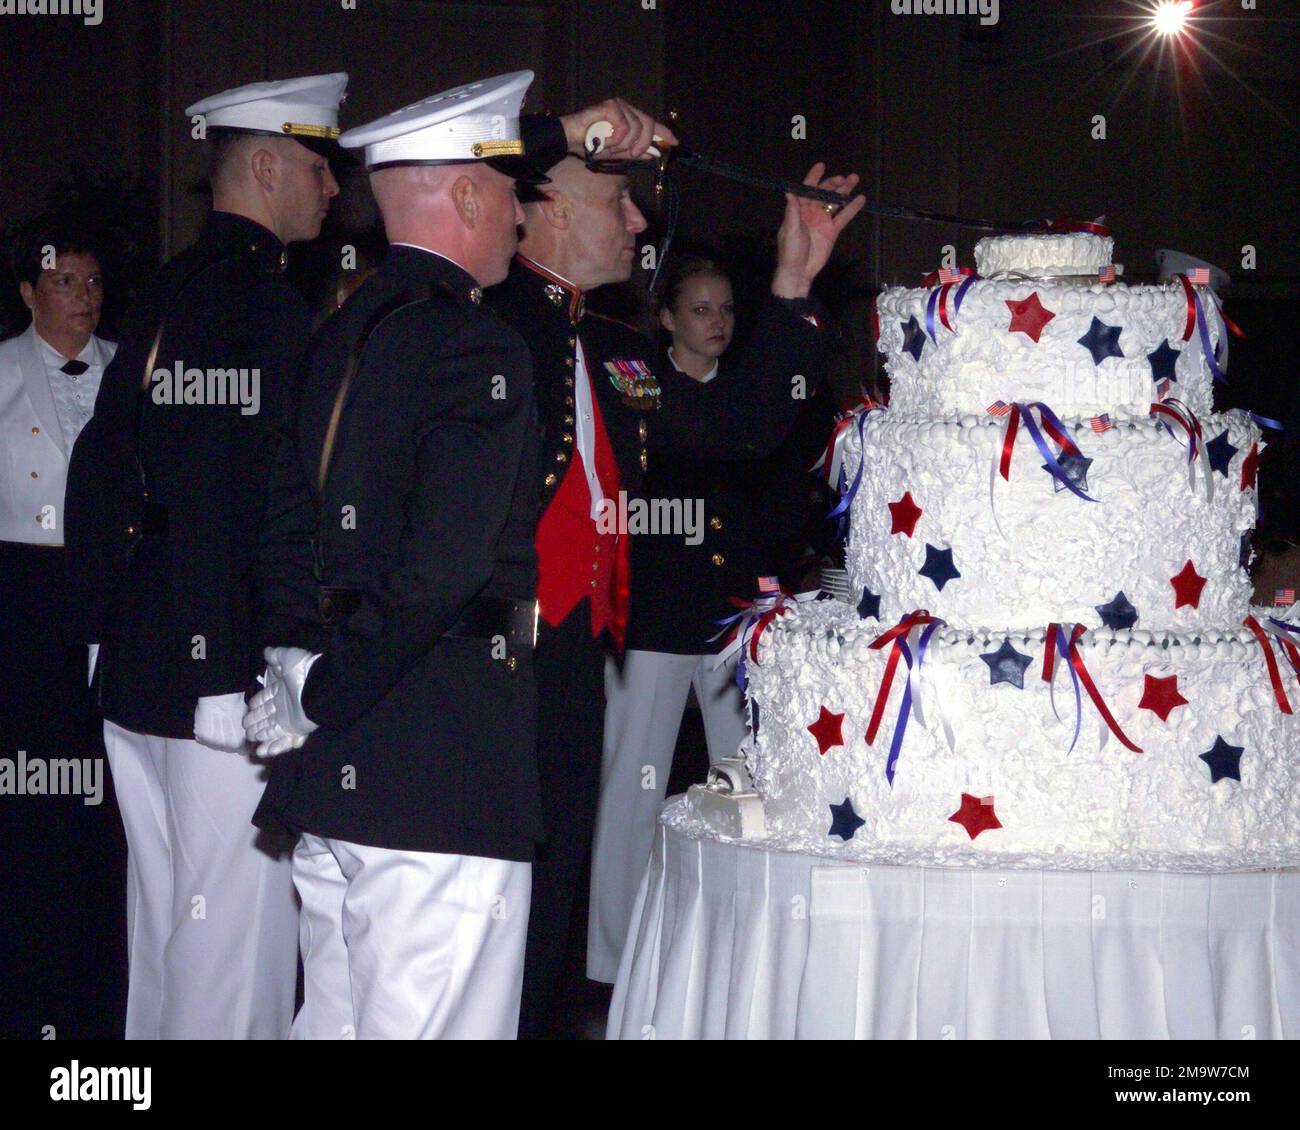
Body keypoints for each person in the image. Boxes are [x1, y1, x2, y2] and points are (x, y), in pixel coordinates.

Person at [487, 125, 865, 1035]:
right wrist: (563, 127)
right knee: (472, 919)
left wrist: (791, 286)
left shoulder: (614, 351)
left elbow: (734, 425)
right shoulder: (480, 319)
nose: (636, 216)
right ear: (543, 208)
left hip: (571, 658)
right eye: (614, 199)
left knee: (547, 903)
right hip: (479, 665)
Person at [244, 70, 555, 1040]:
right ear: (466, 194)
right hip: (438, 756)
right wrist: (322, 685)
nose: (520, 212)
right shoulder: (478, 347)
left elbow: (284, 526)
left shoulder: (341, 331)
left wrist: (299, 664)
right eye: (511, 188)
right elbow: (442, 573)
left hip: (337, 763)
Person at [64, 72, 348, 1039]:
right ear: (266, 166)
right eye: (318, 166)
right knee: (231, 953)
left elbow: (101, 462)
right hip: (211, 675)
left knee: (164, 935)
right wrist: (232, 671)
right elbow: (236, 497)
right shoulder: (263, 309)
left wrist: (101, 629)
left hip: (140, 659)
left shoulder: (167, 287)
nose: (333, 189)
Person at [588, 254, 833, 982]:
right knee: (631, 784)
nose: (716, 322)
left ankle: (743, 949)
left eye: (726, 308)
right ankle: (611, 959)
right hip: (654, 620)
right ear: (666, 318)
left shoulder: (756, 400)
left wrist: (771, 577)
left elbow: (787, 499)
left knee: (750, 784)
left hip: (736, 623)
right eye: (700, 309)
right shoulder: (636, 389)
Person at [0, 216, 119, 1038]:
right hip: (25, 608)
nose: (83, 298)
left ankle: (104, 1005)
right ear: (29, 292)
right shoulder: (1, 372)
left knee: (110, 815)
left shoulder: (131, 371)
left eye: (93, 282)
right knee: (33, 814)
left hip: (113, 606)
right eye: (65, 282)